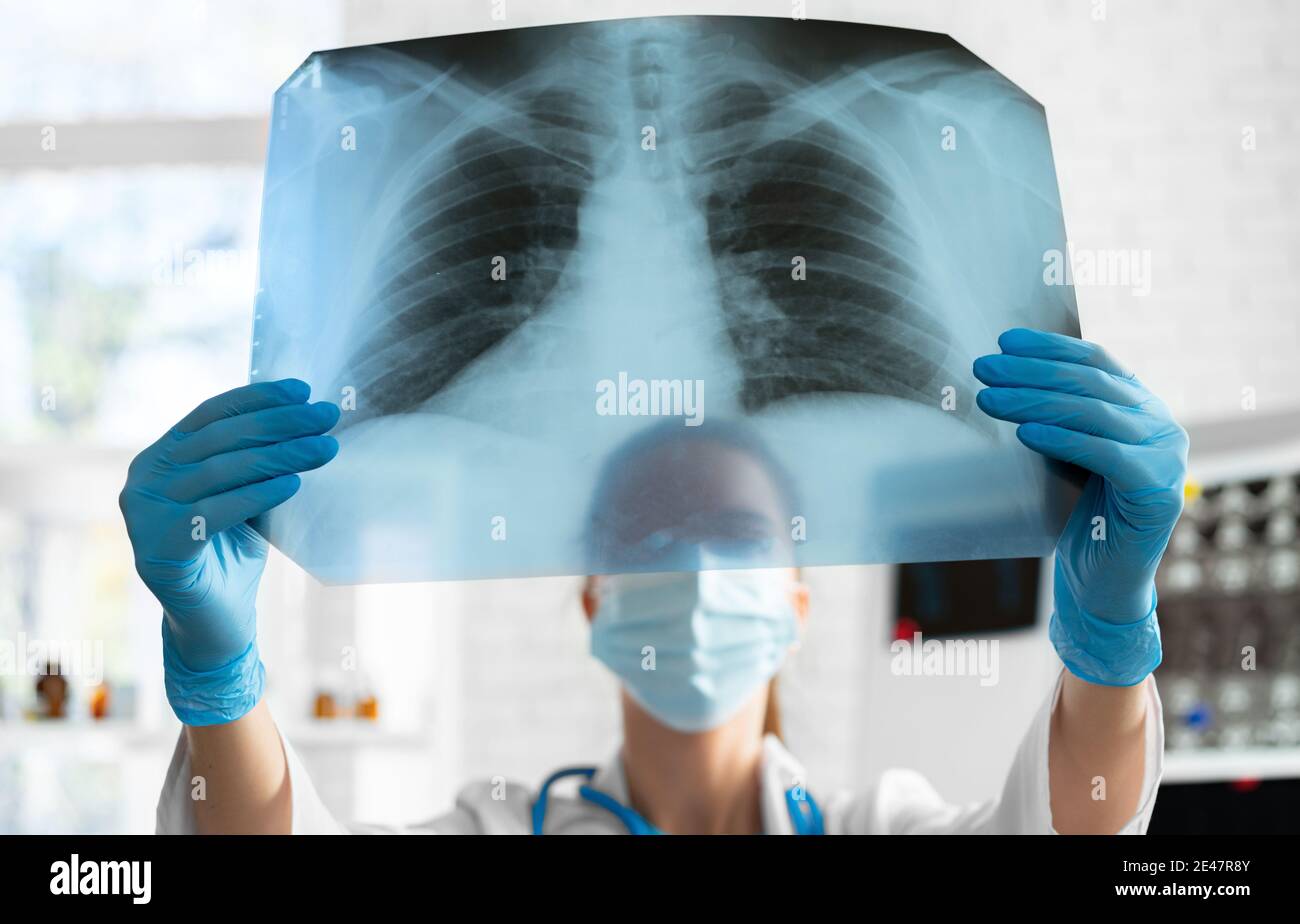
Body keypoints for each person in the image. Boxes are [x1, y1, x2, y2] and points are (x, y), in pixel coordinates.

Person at [121, 328, 1187, 834]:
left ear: (799, 594)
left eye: (734, 530)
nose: (692, 562)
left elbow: (1076, 829)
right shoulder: (495, 830)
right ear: (589, 595)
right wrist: (221, 674)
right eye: (646, 531)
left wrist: (1107, 636)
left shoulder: (881, 825)